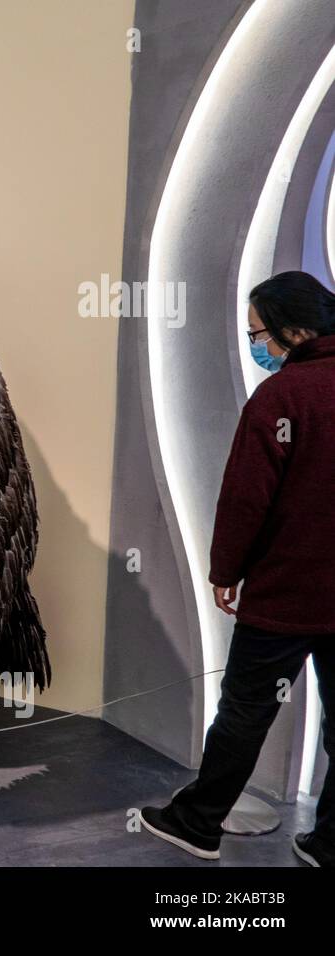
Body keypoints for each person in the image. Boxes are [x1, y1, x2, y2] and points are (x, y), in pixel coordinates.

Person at [141, 271, 335, 867]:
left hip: (284, 591)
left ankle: (198, 823)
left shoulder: (282, 397)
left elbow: (246, 498)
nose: (257, 345)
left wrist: (225, 569)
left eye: (259, 334)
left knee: (246, 712)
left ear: (293, 330)